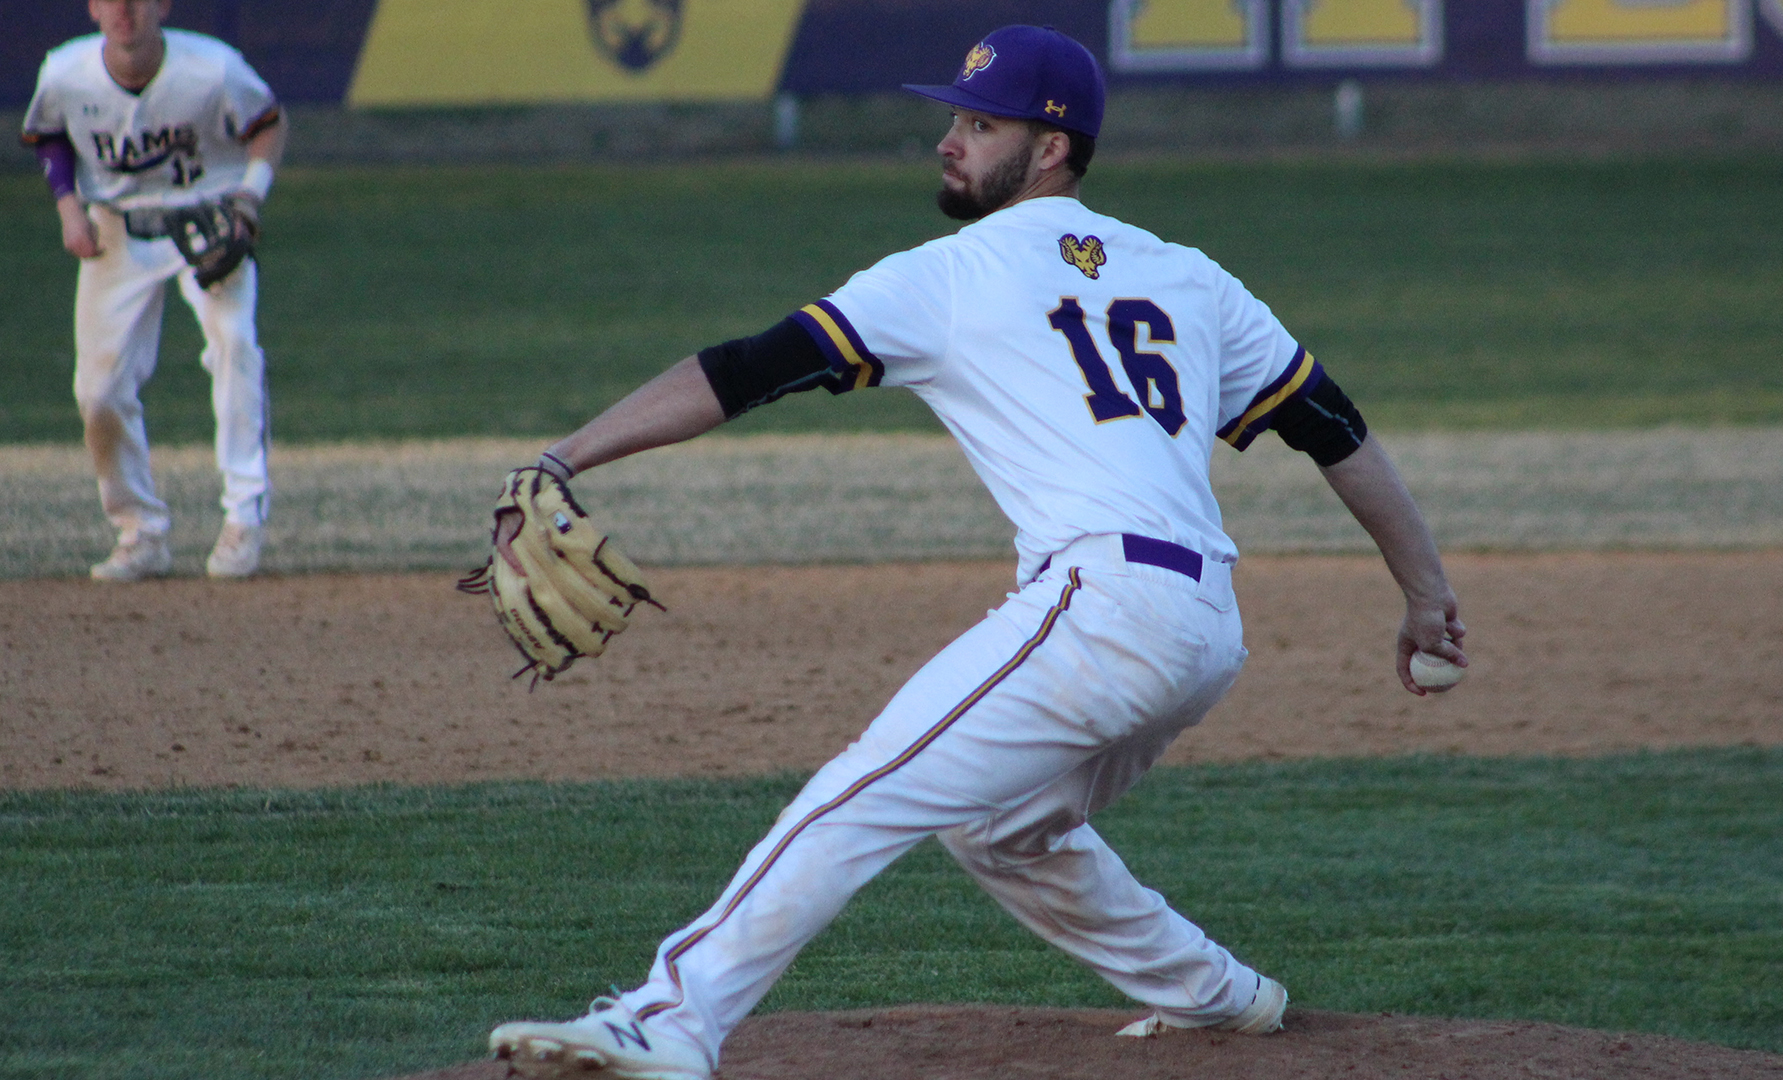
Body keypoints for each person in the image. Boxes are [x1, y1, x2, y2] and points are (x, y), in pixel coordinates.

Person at [487, 24, 1466, 1080]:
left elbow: (747, 369)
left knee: (863, 790)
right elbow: (1336, 429)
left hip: (1101, 606)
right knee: (999, 827)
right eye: (953, 118)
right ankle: (1217, 996)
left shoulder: (949, 275)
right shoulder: (1187, 275)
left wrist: (567, 453)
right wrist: (1428, 597)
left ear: (1051, 147)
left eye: (979, 122)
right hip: (1204, 629)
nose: (950, 141)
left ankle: (665, 1020)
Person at [22, 0, 285, 581]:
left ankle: (243, 516)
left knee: (236, 347)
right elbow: (48, 135)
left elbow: (268, 125)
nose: (125, 9)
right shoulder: (66, 72)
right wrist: (68, 208)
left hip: (208, 222)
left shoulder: (213, 68)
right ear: (92, 8)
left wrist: (248, 197)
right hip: (116, 228)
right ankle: (140, 532)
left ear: (163, 6)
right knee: (98, 391)